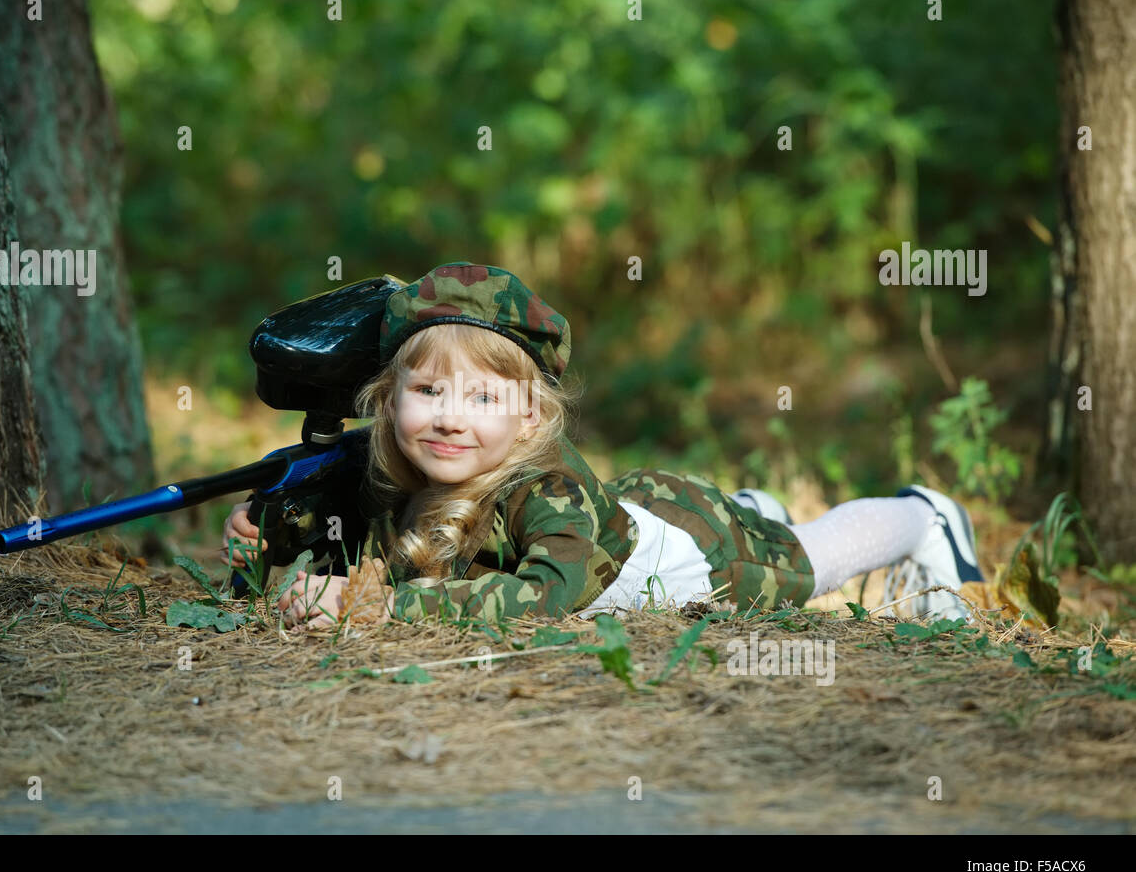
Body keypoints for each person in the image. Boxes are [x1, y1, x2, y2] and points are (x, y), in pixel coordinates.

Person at [224, 262, 984, 630]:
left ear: (529, 418)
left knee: (810, 559)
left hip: (697, 555)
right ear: (389, 403)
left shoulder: (544, 490)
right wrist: (278, 531)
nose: (450, 417)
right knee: (757, 519)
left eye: (484, 397)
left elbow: (549, 595)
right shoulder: (400, 473)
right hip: (626, 514)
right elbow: (354, 542)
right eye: (428, 392)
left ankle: (923, 516)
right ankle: (754, 505)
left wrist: (389, 609)